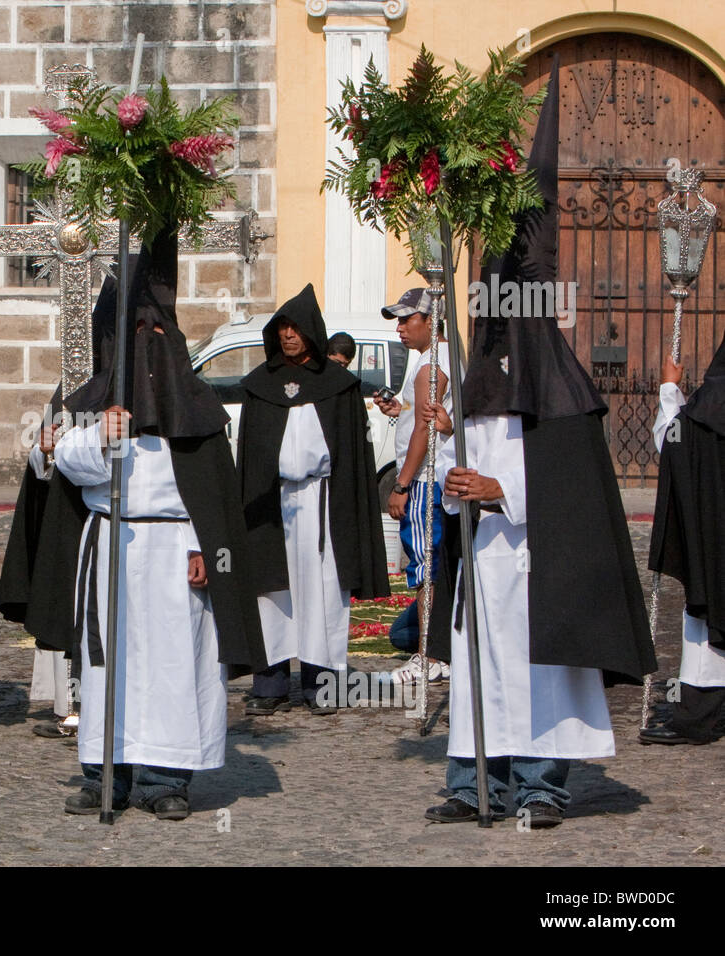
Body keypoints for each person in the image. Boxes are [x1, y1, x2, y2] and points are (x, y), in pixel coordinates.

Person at [423, 62, 655, 826]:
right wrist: (455, 477)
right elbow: (466, 455)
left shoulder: (559, 390)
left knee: (534, 678)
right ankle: (471, 782)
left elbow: (570, 494)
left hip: (535, 563)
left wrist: (500, 493)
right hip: (482, 559)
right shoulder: (476, 380)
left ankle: (541, 784)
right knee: (480, 677)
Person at [41, 225, 264, 820]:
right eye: (132, 331)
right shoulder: (91, 402)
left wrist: (200, 546)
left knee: (173, 664)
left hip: (171, 551)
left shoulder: (192, 405)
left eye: (153, 331)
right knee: (107, 661)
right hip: (109, 543)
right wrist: (100, 438)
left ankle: (168, 777)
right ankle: (105, 773)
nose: (144, 342)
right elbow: (62, 463)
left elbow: (211, 494)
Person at [237, 284, 390, 716]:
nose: (288, 335)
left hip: (323, 502)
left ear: (311, 333)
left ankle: (322, 685)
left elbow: (354, 458)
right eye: (282, 328)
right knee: (272, 592)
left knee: (322, 591)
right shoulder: (259, 386)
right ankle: (270, 685)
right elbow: (248, 456)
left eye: (295, 328)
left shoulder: (338, 387)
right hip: (272, 504)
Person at [644, 346, 725, 745]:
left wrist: (669, 389)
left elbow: (672, 444)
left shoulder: (710, 411)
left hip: (715, 540)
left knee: (709, 607)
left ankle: (699, 714)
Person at [373, 288, 452, 686]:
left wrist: (401, 484)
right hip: (434, 479)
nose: (402, 329)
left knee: (425, 565)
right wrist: (398, 411)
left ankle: (430, 653)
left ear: (430, 321)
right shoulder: (436, 362)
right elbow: (420, 416)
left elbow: (425, 428)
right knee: (432, 563)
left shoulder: (430, 367)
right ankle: (432, 647)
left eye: (408, 320)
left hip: (424, 482)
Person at [0, 400, 82, 738]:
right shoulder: (74, 385)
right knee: (69, 613)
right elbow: (41, 465)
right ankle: (72, 707)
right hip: (72, 520)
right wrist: (44, 451)